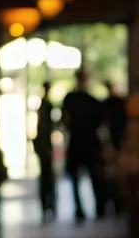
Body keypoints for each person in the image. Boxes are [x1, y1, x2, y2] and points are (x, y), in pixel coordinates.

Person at [62, 68, 106, 222]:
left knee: (90, 176)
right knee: (90, 176)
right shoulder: (86, 100)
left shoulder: (76, 99)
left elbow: (64, 121)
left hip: (82, 141)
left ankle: (91, 208)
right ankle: (93, 208)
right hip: (84, 141)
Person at [96, 79, 128, 216]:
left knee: (115, 175)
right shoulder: (109, 105)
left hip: (117, 144)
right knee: (110, 175)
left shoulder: (114, 104)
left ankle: (115, 203)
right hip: (112, 144)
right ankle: (113, 203)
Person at [33, 82, 56, 221]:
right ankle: (48, 204)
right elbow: (44, 128)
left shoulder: (43, 105)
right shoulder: (45, 105)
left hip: (44, 146)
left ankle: (48, 204)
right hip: (45, 146)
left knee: (46, 176)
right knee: (47, 176)